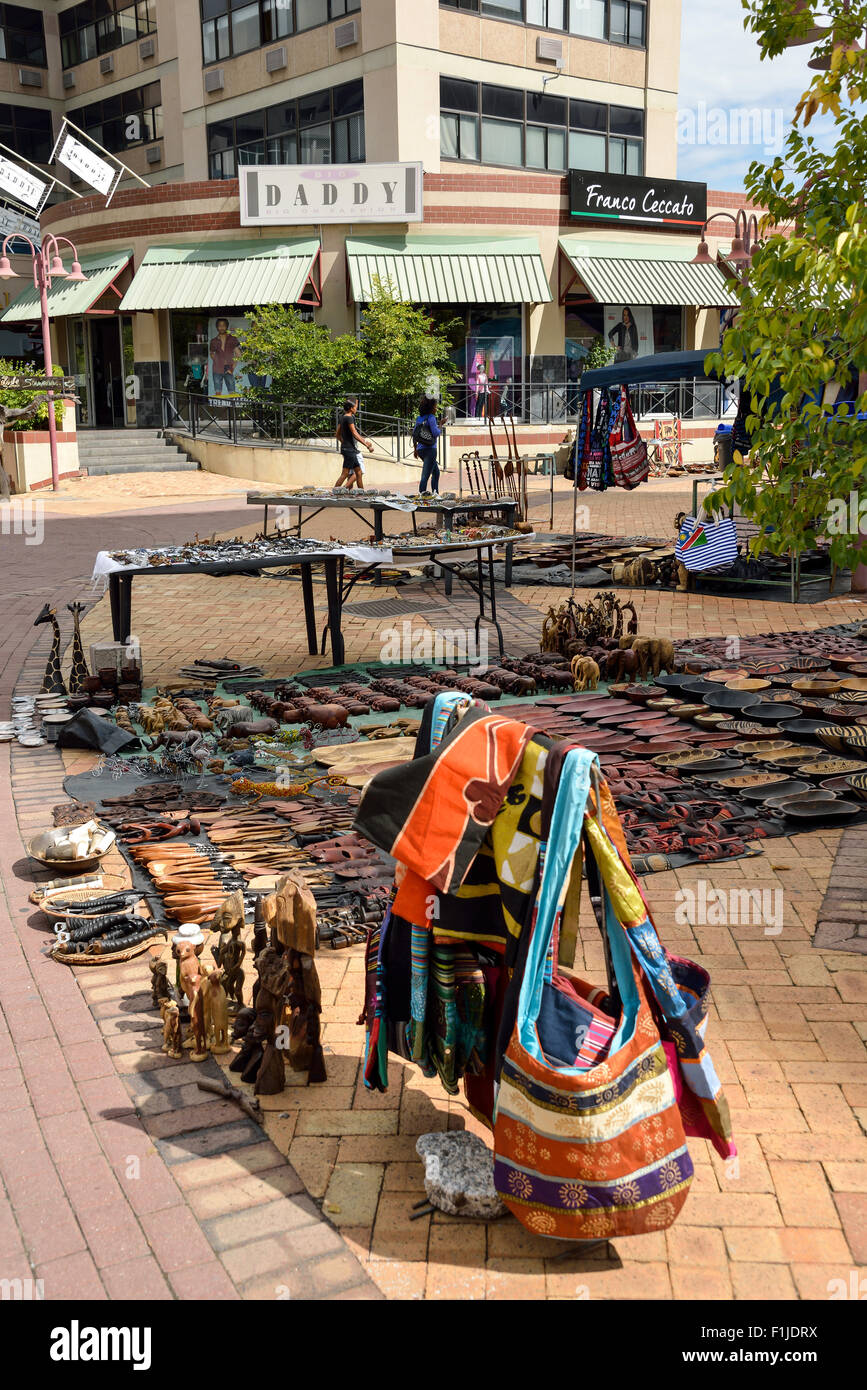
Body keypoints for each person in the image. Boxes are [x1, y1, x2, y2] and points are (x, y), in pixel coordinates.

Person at [334, 397, 374, 489]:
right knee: (345, 474)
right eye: (355, 407)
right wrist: (366, 444)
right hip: (349, 450)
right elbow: (355, 433)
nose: (356, 409)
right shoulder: (349, 418)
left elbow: (337, 434)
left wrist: (344, 443)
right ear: (351, 408)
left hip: (349, 449)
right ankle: (334, 492)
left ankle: (361, 493)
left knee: (359, 472)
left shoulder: (343, 417)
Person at [412, 395, 442, 494]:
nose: (436, 408)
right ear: (431, 407)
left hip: (421, 449)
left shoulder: (419, 418)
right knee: (425, 475)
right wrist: (441, 425)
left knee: (436, 472)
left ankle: (435, 494)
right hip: (430, 450)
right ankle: (422, 495)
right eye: (435, 406)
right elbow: (436, 433)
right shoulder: (431, 418)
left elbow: (414, 434)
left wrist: (415, 449)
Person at [210, 318, 240, 395]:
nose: (221, 327)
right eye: (219, 325)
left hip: (229, 367)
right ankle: (218, 407)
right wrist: (217, 361)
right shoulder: (213, 341)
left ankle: (232, 407)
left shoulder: (232, 339)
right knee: (218, 392)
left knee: (232, 392)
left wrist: (232, 368)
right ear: (217, 327)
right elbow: (211, 353)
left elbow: (238, 354)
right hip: (217, 369)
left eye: (223, 325)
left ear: (227, 326)